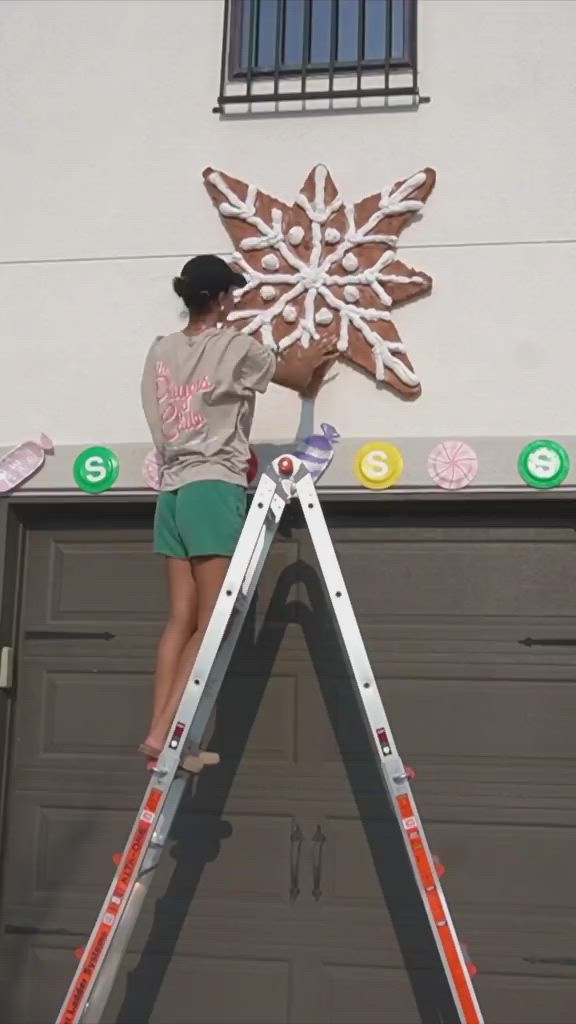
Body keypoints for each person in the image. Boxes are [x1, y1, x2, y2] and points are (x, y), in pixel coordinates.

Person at [140, 254, 337, 771]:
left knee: (180, 619)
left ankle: (159, 732)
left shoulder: (159, 351)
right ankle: (167, 734)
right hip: (212, 485)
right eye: (233, 293)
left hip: (173, 490)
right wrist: (315, 353)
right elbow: (296, 376)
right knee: (214, 620)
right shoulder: (235, 346)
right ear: (223, 297)